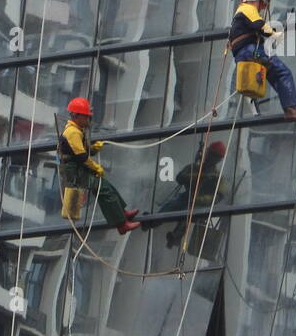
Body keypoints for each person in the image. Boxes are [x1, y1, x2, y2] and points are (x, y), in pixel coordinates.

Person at [58, 97, 141, 234]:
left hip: (78, 169)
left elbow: (82, 151)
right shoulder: (72, 132)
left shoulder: (77, 130)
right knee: (104, 191)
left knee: (107, 186)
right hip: (75, 173)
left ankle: (122, 213)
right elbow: (81, 157)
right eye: (86, 117)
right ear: (77, 116)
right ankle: (121, 224)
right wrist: (96, 167)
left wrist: (94, 148)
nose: (88, 120)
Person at [229, 0, 296, 123]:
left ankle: (295, 108)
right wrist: (275, 34)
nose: (260, 9)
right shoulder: (247, 8)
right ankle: (291, 109)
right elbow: (259, 25)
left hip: (243, 54)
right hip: (250, 51)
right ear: (255, 1)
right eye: (260, 6)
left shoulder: (237, 17)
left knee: (276, 77)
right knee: (283, 73)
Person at [154, 140, 228, 249]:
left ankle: (176, 237)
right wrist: (196, 177)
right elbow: (180, 177)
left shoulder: (218, 178)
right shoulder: (195, 167)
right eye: (210, 153)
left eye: (214, 156)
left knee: (188, 214)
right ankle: (154, 221)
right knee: (172, 204)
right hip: (186, 197)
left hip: (200, 206)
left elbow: (216, 198)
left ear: (218, 160)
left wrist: (199, 199)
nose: (210, 157)